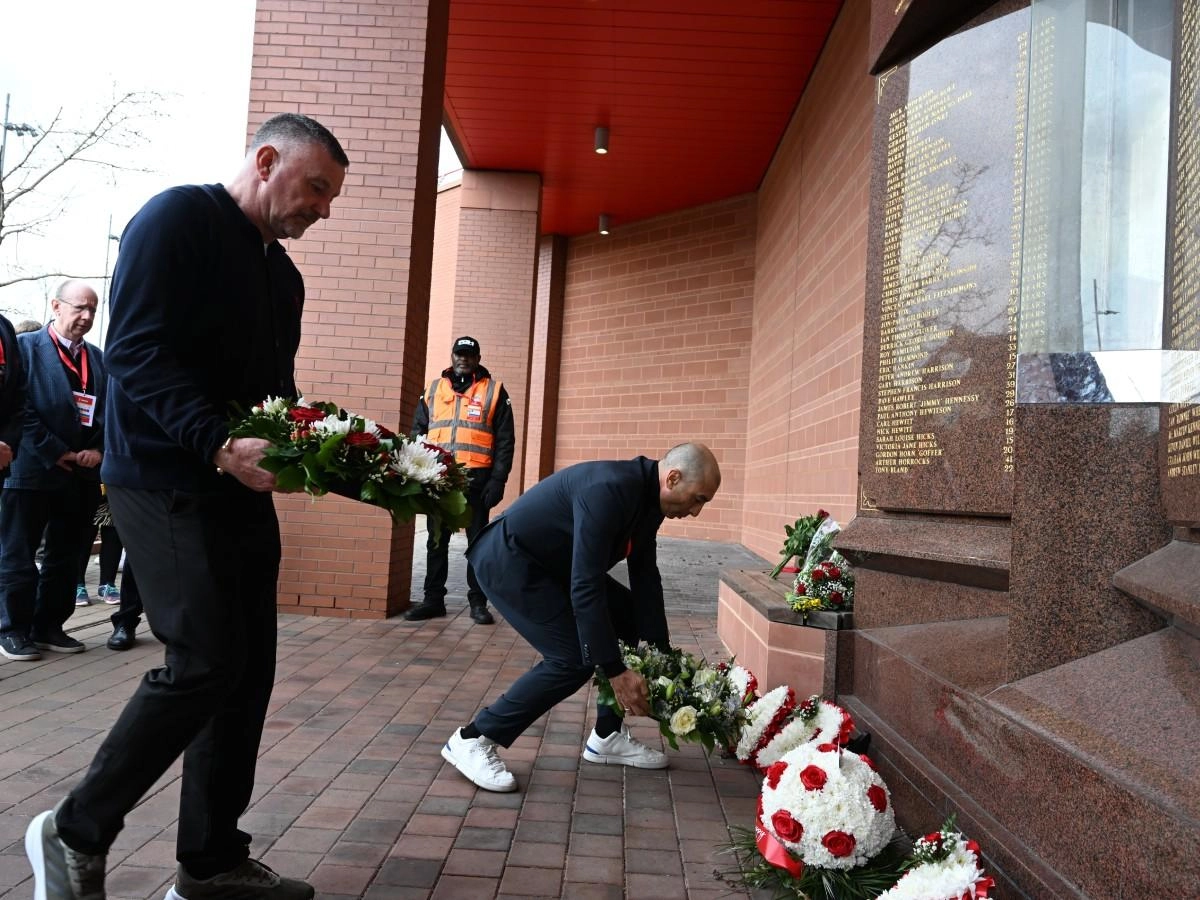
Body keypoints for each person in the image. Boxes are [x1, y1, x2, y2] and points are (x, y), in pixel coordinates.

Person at [23, 112, 349, 900]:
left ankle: (210, 862)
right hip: (165, 479)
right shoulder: (178, 219)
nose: (324, 209)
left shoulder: (283, 277)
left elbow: (272, 396)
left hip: (233, 486)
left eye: (332, 198)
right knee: (204, 658)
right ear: (266, 161)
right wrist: (214, 442)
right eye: (316, 188)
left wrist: (322, 448)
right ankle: (74, 831)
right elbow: (134, 350)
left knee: (247, 672)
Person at [440, 442, 721, 792]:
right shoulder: (609, 490)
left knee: (629, 618)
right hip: (508, 560)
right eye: (699, 499)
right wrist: (614, 670)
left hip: (551, 565)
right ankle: (473, 738)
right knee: (574, 658)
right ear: (674, 478)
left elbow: (645, 574)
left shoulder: (650, 501)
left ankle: (607, 736)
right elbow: (585, 586)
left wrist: (661, 650)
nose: (696, 512)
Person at [0, 282, 105, 661]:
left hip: (80, 475)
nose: (87, 317)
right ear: (56, 306)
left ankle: (49, 626)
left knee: (67, 556)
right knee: (18, 553)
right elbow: (17, 408)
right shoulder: (25, 350)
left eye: (93, 310)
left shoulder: (98, 359)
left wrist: (97, 449)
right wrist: (55, 450)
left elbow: (109, 411)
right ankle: (12, 629)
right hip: (30, 471)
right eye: (80, 308)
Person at [404, 335, 515, 625]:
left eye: (469, 355)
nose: (463, 359)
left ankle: (478, 602)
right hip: (439, 478)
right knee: (436, 541)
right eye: (459, 354)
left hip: (477, 480)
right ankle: (433, 600)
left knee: (477, 543)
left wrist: (498, 481)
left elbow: (505, 441)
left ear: (477, 359)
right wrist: (419, 473)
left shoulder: (494, 392)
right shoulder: (433, 390)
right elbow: (418, 433)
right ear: (452, 357)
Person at [75, 490, 125, 606]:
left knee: (113, 527)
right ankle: (77, 583)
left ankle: (107, 584)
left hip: (112, 484)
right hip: (86, 478)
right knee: (86, 530)